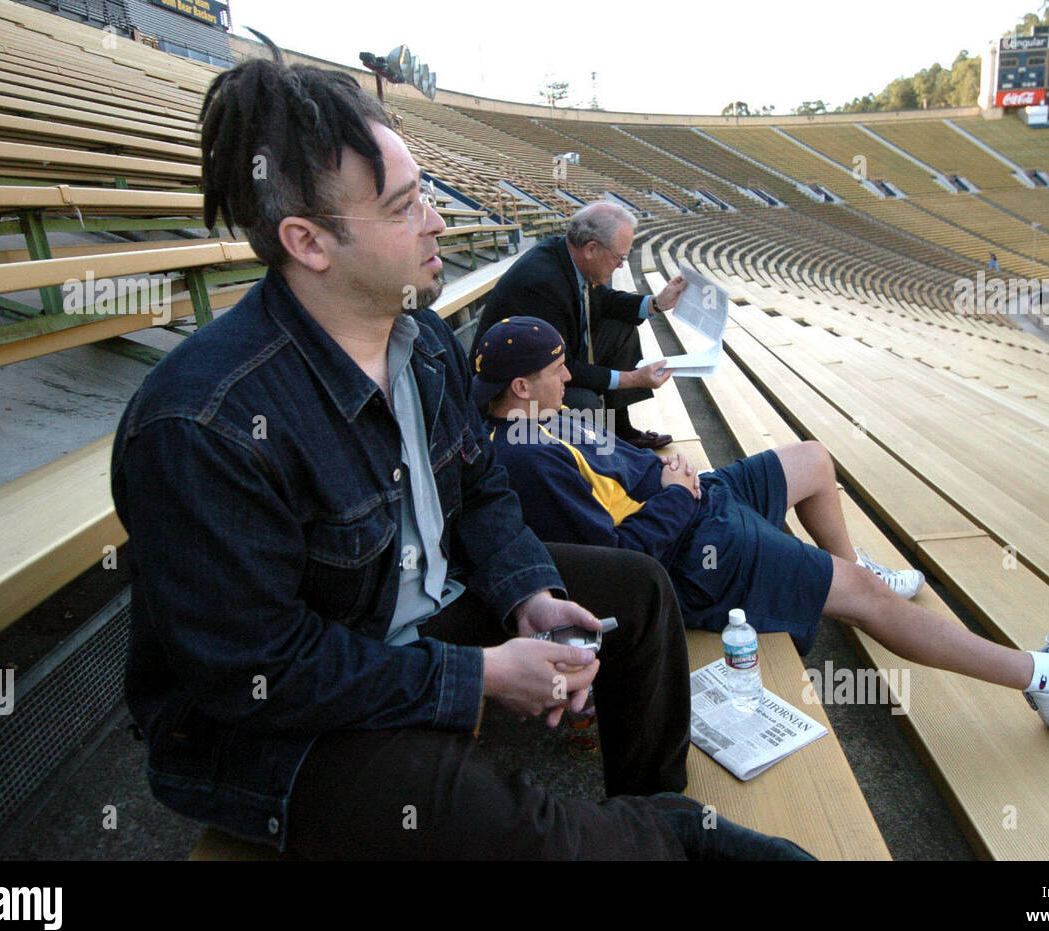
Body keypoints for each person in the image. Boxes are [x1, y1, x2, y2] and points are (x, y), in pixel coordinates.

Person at [110, 46, 813, 861]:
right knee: (465, 807)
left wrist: (530, 595)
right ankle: (670, 842)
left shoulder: (426, 342)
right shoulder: (200, 425)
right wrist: (475, 677)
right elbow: (257, 670)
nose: (437, 222)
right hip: (269, 722)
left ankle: (650, 804)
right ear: (308, 241)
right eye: (406, 206)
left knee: (641, 591)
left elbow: (480, 494)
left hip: (418, 616)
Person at [473, 317, 1049, 736]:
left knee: (813, 460)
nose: (570, 375)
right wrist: (677, 496)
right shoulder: (525, 461)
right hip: (692, 552)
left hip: (695, 504)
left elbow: (617, 480)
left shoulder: (542, 419)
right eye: (556, 369)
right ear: (522, 388)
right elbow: (620, 560)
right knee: (861, 591)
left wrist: (665, 468)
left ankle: (852, 578)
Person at [473, 201, 689, 450]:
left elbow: (603, 301)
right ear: (591, 248)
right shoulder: (541, 283)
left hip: (549, 364)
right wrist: (632, 378)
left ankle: (622, 430)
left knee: (620, 331)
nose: (621, 265)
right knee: (585, 403)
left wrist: (656, 303)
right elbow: (562, 366)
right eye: (619, 258)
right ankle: (605, 456)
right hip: (514, 391)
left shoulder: (569, 257)